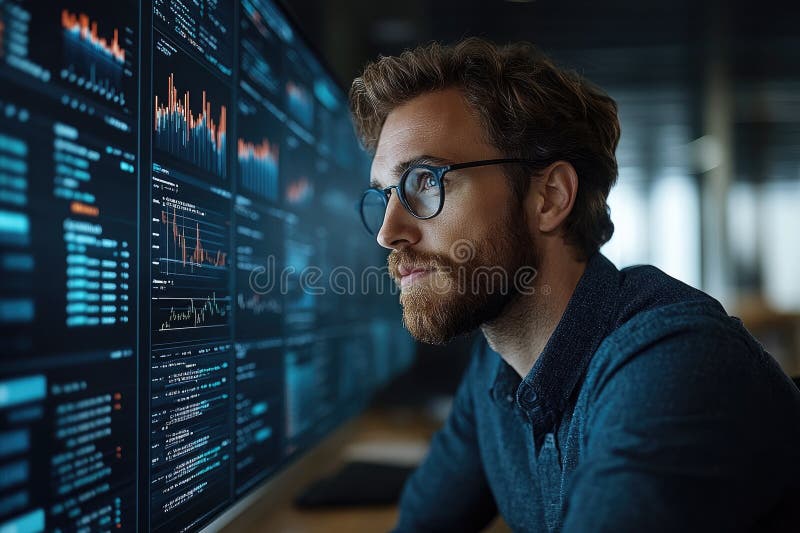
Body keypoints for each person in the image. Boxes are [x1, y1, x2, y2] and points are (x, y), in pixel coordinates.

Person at [349, 37, 800, 532]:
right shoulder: (496, 367)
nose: (390, 232)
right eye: (385, 196)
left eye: (426, 181)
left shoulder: (672, 363)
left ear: (549, 197)